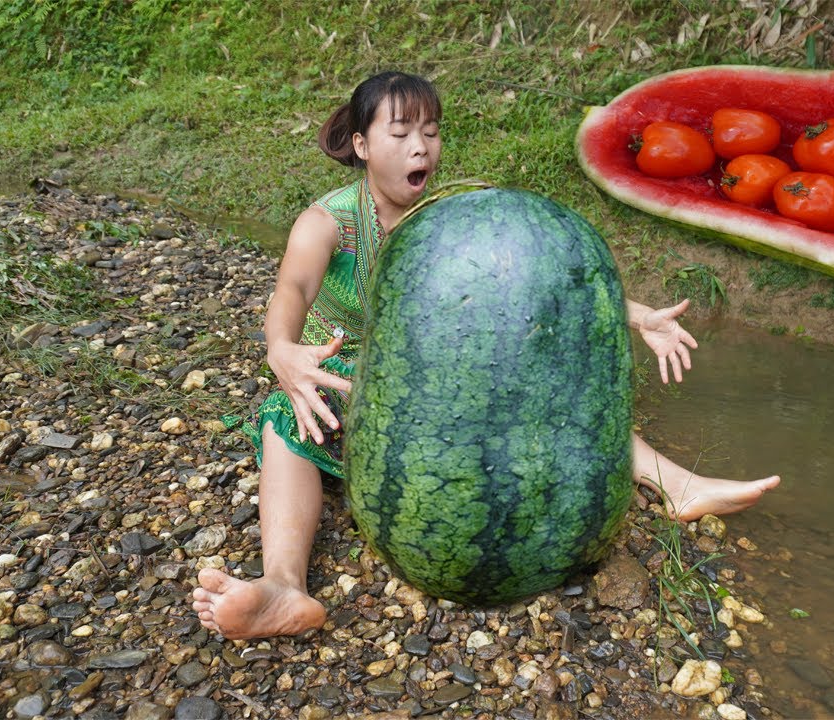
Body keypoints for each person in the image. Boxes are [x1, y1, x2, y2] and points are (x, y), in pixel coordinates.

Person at [192, 71, 780, 640]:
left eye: (431, 131)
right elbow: (290, 289)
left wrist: (637, 314)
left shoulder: (458, 212)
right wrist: (284, 352)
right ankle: (282, 584)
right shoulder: (330, 222)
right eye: (400, 134)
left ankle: (678, 485)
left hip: (441, 377)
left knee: (547, 395)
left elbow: (543, 278)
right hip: (342, 369)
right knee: (287, 424)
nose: (420, 147)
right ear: (363, 145)